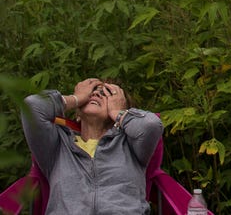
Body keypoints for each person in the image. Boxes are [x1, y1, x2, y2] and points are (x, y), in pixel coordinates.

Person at [20, 78, 164, 215]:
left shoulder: (130, 144)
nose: (95, 94)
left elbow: (151, 125)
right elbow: (32, 107)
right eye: (91, 92)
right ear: (77, 114)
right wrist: (76, 98)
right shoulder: (57, 146)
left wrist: (117, 113)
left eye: (105, 93)